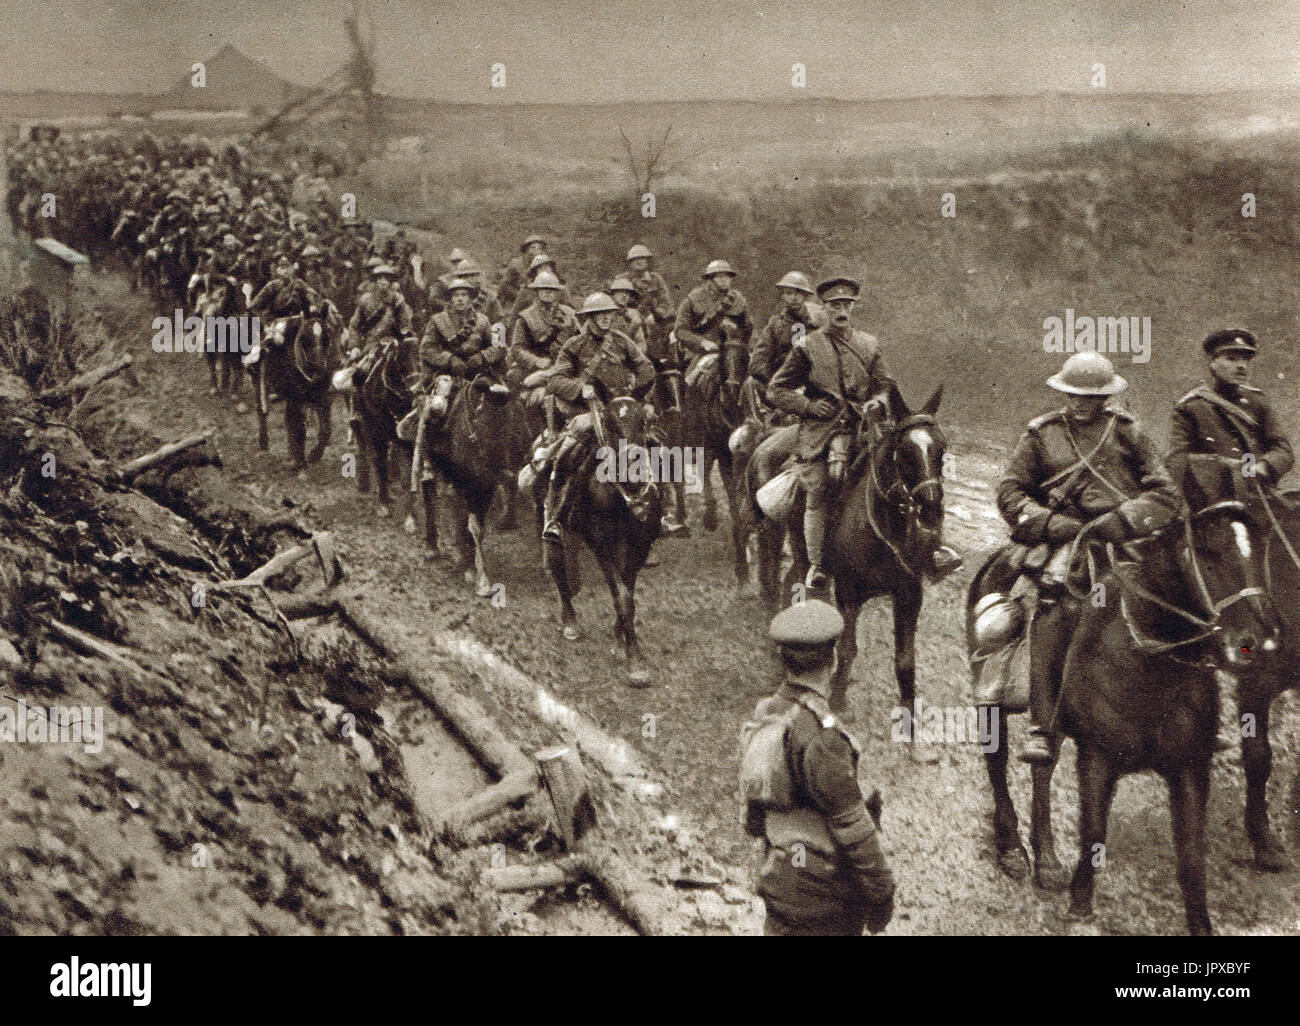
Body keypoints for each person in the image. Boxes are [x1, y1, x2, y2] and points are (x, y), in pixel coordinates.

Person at [996, 352, 1184, 764]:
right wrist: (1049, 523)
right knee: (1051, 612)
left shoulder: (1129, 433)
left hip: (1124, 541)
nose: (1081, 403)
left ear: (1105, 397)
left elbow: (1167, 494)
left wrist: (1124, 519)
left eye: (1091, 396)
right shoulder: (1041, 434)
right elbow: (1010, 491)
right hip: (1066, 542)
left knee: (1180, 602)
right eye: (1074, 394)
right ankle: (1042, 726)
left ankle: (1185, 719)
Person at [768, 276, 961, 589]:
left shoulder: (868, 345)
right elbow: (777, 390)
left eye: (846, 305)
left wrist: (877, 401)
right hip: (822, 434)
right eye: (834, 305)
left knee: (912, 476)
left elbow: (885, 384)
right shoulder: (807, 347)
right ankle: (816, 565)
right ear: (824, 309)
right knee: (819, 486)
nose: (841, 311)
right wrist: (807, 406)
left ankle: (930, 551)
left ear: (853, 308)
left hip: (865, 430)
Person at [740, 599, 895, 936]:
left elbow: (753, 818)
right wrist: (883, 896)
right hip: (825, 902)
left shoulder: (767, 713)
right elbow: (855, 832)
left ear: (785, 660)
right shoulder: (823, 740)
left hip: (780, 886)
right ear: (834, 660)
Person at [541, 292, 656, 540]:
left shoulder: (622, 341)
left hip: (620, 407)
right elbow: (555, 380)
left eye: (609, 314)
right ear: (589, 318)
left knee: (653, 442)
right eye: (600, 315)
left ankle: (660, 509)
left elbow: (645, 367)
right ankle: (555, 516)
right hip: (587, 409)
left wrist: (633, 394)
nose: (605, 319)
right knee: (567, 452)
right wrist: (580, 389)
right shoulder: (574, 345)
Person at [1167, 329, 1293, 495]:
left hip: (1260, 493)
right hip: (1214, 497)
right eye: (1231, 359)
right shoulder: (1191, 407)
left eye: (1246, 360)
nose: (1241, 366)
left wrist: (1264, 467)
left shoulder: (1258, 402)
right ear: (1213, 362)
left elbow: (1283, 449)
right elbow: (1179, 461)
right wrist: (1232, 469)